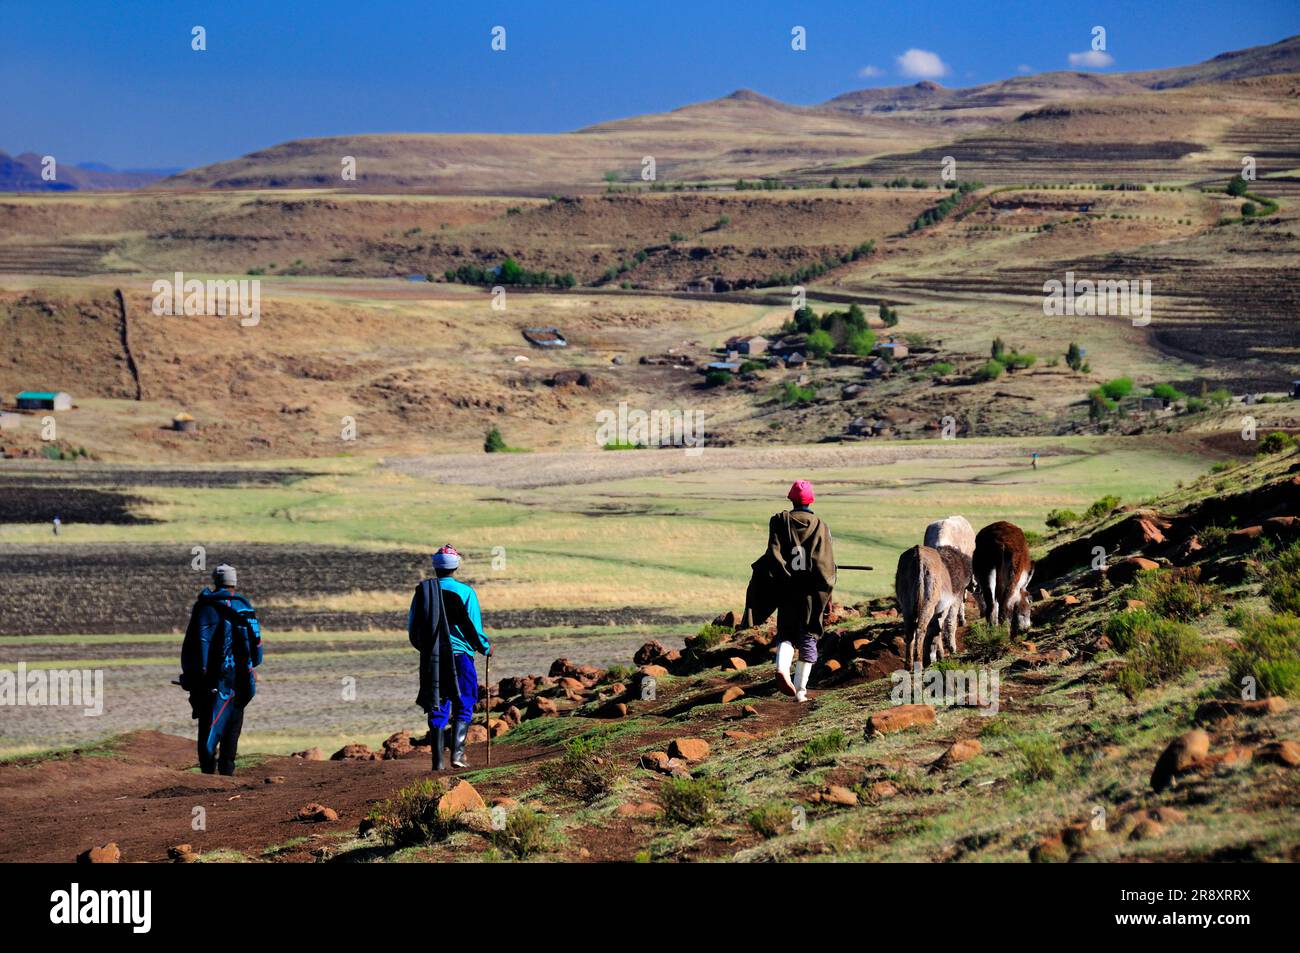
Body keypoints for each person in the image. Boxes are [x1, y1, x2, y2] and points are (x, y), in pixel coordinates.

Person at [739, 480, 836, 702]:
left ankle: (782, 670)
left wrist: (784, 579)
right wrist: (825, 590)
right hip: (811, 594)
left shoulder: (779, 521)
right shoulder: (820, 525)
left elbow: (773, 554)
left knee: (786, 634)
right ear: (811, 500)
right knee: (809, 637)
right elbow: (825, 564)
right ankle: (801, 692)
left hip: (787, 591)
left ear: (791, 499)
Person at [408, 544, 490, 770]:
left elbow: (412, 629)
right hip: (460, 656)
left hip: (432, 659)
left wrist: (427, 650)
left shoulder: (422, 592)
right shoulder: (465, 592)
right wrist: (484, 647)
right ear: (456, 567)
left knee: (437, 702)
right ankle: (458, 755)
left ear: (435, 567)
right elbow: (473, 627)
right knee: (464, 701)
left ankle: (438, 762)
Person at [180, 563, 262, 775]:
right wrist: (250, 666)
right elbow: (256, 646)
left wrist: (192, 674)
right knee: (233, 722)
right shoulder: (244, 607)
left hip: (209, 682)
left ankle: (207, 772)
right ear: (234, 583)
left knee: (208, 723)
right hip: (239, 679)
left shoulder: (204, 607)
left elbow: (193, 644)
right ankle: (228, 770)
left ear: (216, 582)